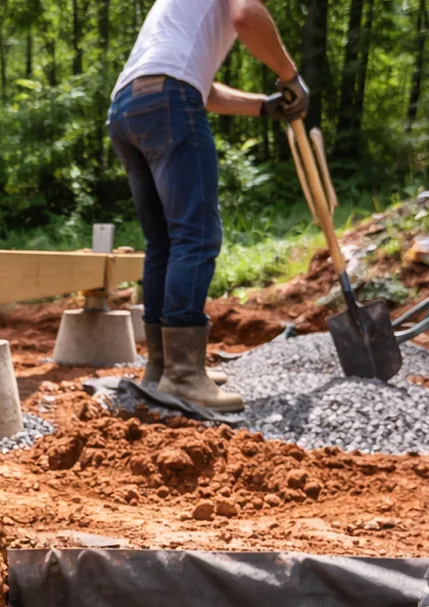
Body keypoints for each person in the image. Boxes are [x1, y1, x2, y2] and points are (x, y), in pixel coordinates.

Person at [109, 0, 308, 411]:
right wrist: (291, 77)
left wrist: (263, 105)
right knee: (195, 236)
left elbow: (204, 88)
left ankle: (162, 367)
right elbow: (247, 16)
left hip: (126, 107)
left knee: (162, 242)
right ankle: (183, 376)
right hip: (169, 99)